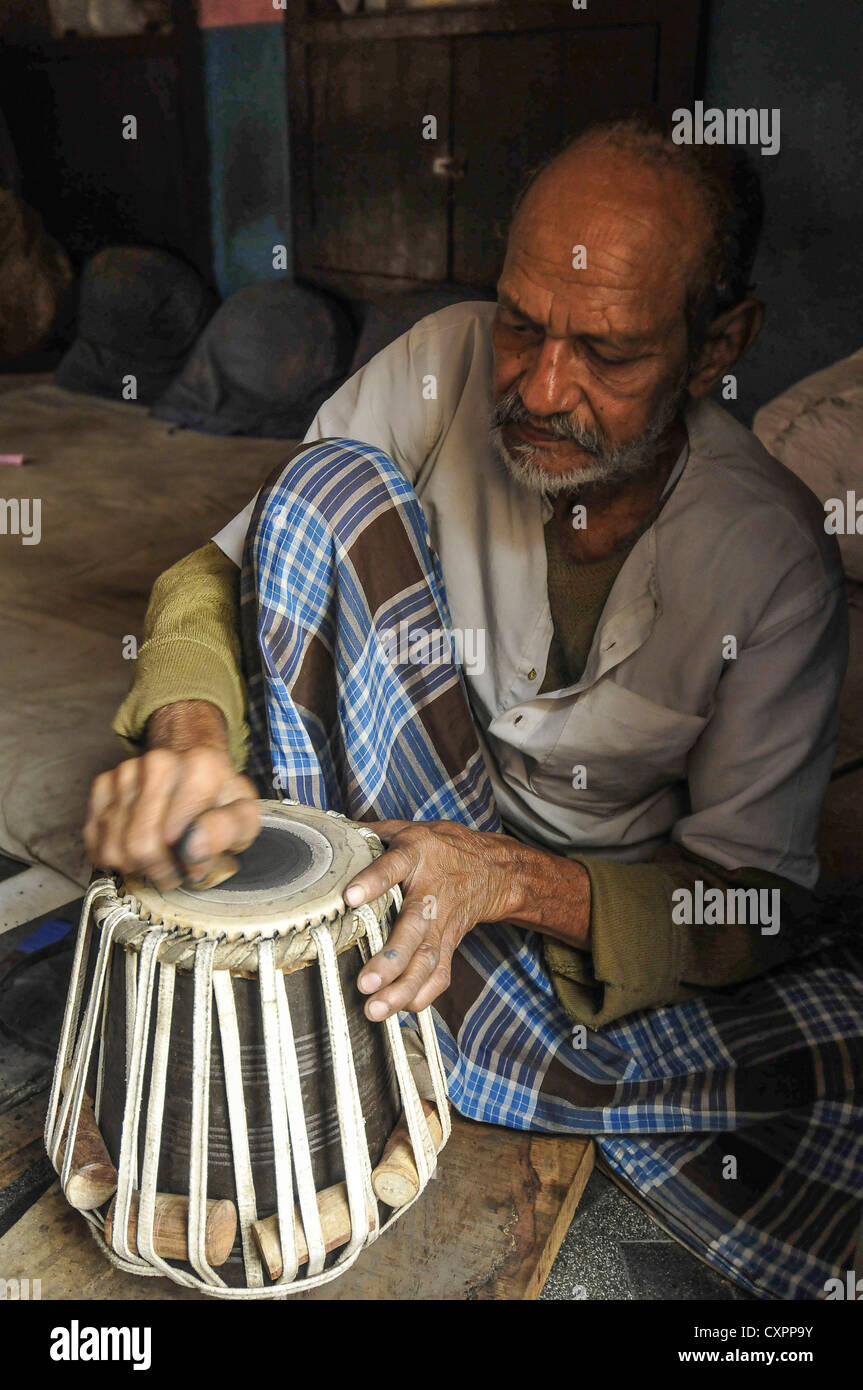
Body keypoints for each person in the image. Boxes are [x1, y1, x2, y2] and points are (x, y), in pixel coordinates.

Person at [85, 114, 862, 1299]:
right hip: (399, 820)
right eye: (523, 324)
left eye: (607, 352)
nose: (542, 388)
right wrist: (190, 731)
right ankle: (355, 971)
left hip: (578, 919)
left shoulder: (773, 564)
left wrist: (503, 883)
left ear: (719, 345)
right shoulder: (445, 362)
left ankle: (394, 1025)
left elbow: (744, 901)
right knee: (321, 487)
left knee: (826, 1046)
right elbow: (221, 570)